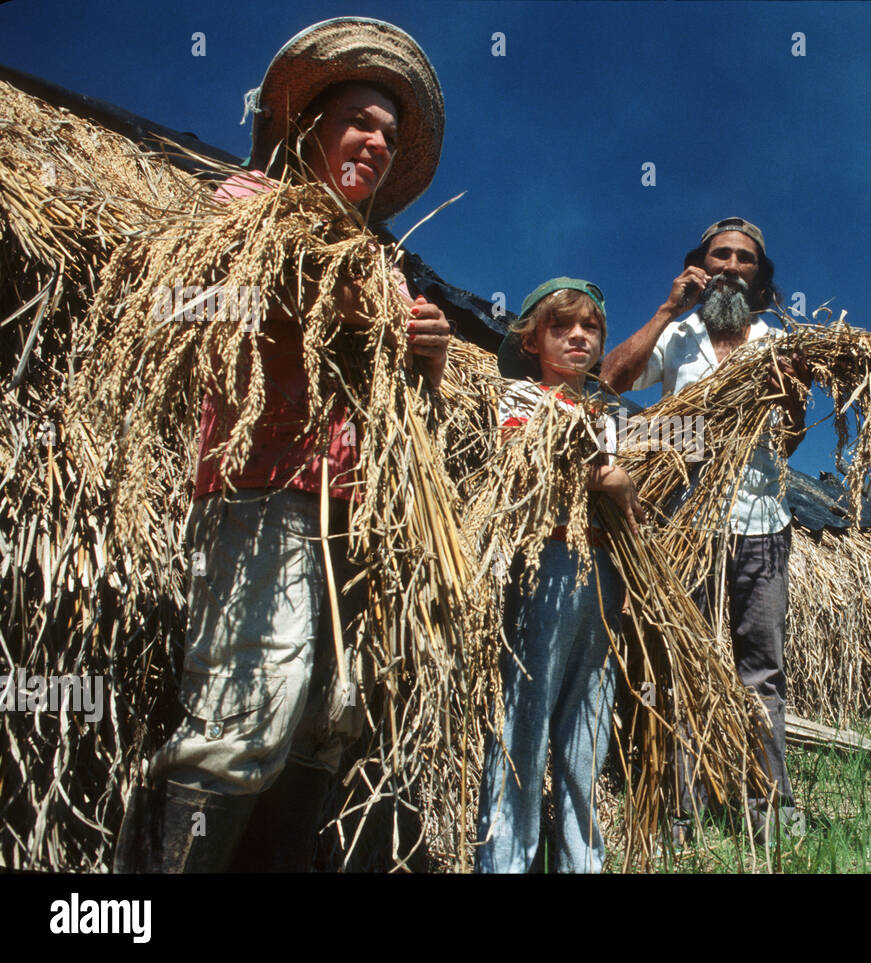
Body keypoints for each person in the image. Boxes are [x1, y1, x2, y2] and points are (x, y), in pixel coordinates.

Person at [115, 17, 451, 873]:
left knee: (323, 728)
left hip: (353, 522)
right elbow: (177, 312)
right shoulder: (247, 208)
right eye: (360, 121)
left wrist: (426, 362)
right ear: (310, 127)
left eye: (389, 132)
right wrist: (298, 294)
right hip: (263, 494)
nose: (375, 141)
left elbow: (393, 411)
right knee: (241, 723)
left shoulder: (380, 260)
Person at [601, 217, 810, 845]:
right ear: (701, 263)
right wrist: (668, 307)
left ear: (759, 276)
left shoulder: (777, 345)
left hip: (761, 524)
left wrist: (791, 400)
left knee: (762, 668)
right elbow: (610, 380)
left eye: (745, 259)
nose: (730, 266)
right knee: (675, 663)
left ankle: (767, 804)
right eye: (720, 255)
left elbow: (791, 442)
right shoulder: (679, 334)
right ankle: (675, 809)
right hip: (684, 525)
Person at [476, 278, 643, 873]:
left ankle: (582, 861)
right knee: (524, 720)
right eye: (561, 326)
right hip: (545, 566)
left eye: (590, 327)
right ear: (531, 340)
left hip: (602, 570)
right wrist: (604, 478)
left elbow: (624, 504)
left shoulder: (608, 415)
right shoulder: (519, 400)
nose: (578, 336)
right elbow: (529, 470)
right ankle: (504, 861)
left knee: (588, 730)